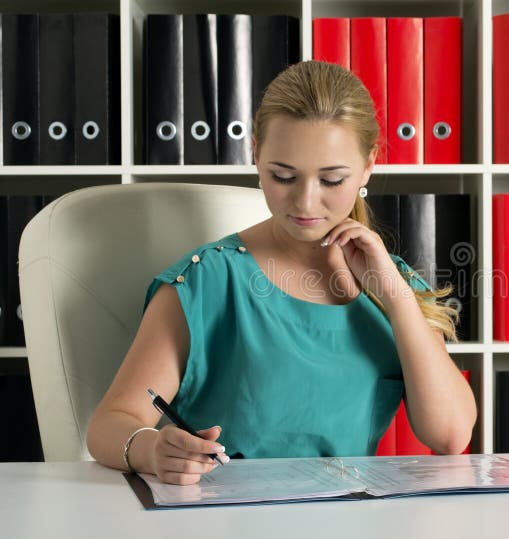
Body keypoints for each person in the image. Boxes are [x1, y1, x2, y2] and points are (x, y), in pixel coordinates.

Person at [86, 60, 477, 485]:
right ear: (255, 154)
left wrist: (395, 297)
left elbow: (450, 435)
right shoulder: (206, 280)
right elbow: (109, 424)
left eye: (331, 180)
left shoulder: (392, 284)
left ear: (368, 166)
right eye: (283, 176)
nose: (306, 203)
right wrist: (150, 449)